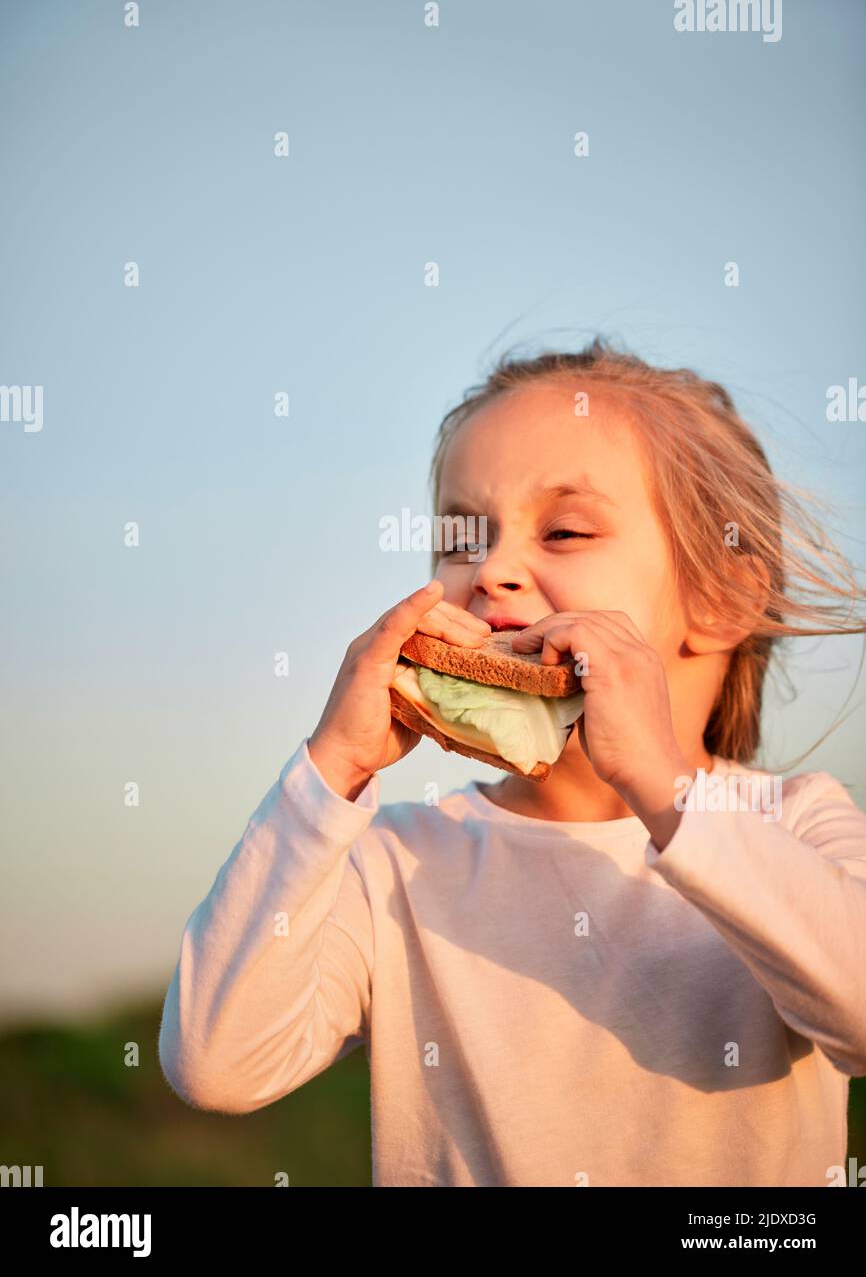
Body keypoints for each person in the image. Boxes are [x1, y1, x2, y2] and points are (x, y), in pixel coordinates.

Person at [158, 338, 866, 1186]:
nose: (490, 571)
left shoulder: (793, 825)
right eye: (462, 539)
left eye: (563, 531)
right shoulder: (399, 860)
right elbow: (218, 1063)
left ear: (721, 600)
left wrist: (663, 782)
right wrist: (332, 771)